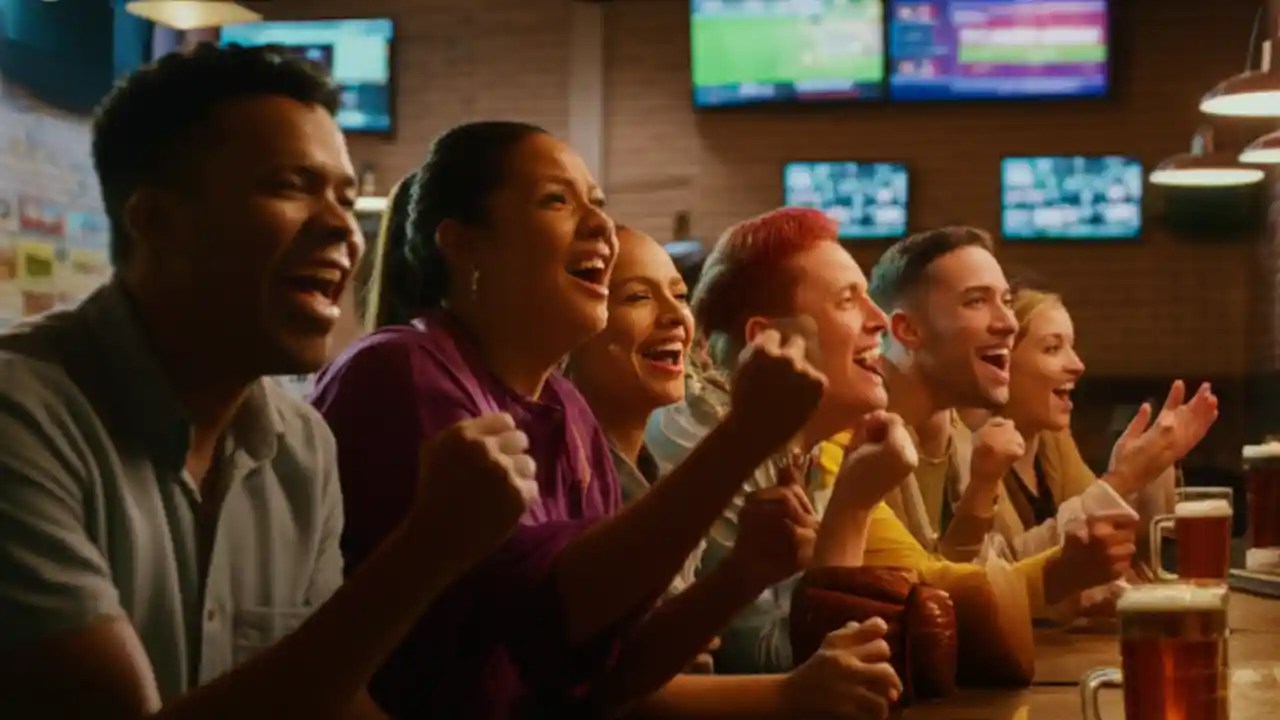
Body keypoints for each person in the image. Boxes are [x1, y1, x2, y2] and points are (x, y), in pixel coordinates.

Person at [0, 45, 540, 718]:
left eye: (345, 198)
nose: (344, 227)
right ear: (155, 222)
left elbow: (331, 698)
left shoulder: (300, 442)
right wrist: (424, 554)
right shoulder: (21, 417)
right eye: (289, 186)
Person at [312, 123, 829, 717]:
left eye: (599, 205)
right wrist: (739, 438)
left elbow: (604, 679)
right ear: (464, 244)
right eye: (557, 200)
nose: (601, 227)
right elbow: (547, 615)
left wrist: (740, 576)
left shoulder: (568, 411)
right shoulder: (404, 369)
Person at [567, 225, 903, 718]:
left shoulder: (658, 462)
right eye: (638, 296)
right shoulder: (704, 438)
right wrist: (854, 507)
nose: (881, 321)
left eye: (680, 295)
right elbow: (774, 659)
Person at [866, 227, 1216, 566]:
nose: (1008, 323)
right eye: (976, 301)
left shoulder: (951, 435)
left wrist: (1144, 472)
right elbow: (941, 594)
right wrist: (1125, 477)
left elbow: (990, 572)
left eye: (1005, 301)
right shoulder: (863, 441)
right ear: (908, 330)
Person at [983, 288, 1204, 565]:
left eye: (1071, 347)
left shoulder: (1053, 441)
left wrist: (1151, 471)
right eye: (1052, 348)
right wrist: (1124, 477)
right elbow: (1007, 571)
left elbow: (1107, 546)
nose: (1077, 365)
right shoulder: (973, 451)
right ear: (1003, 363)